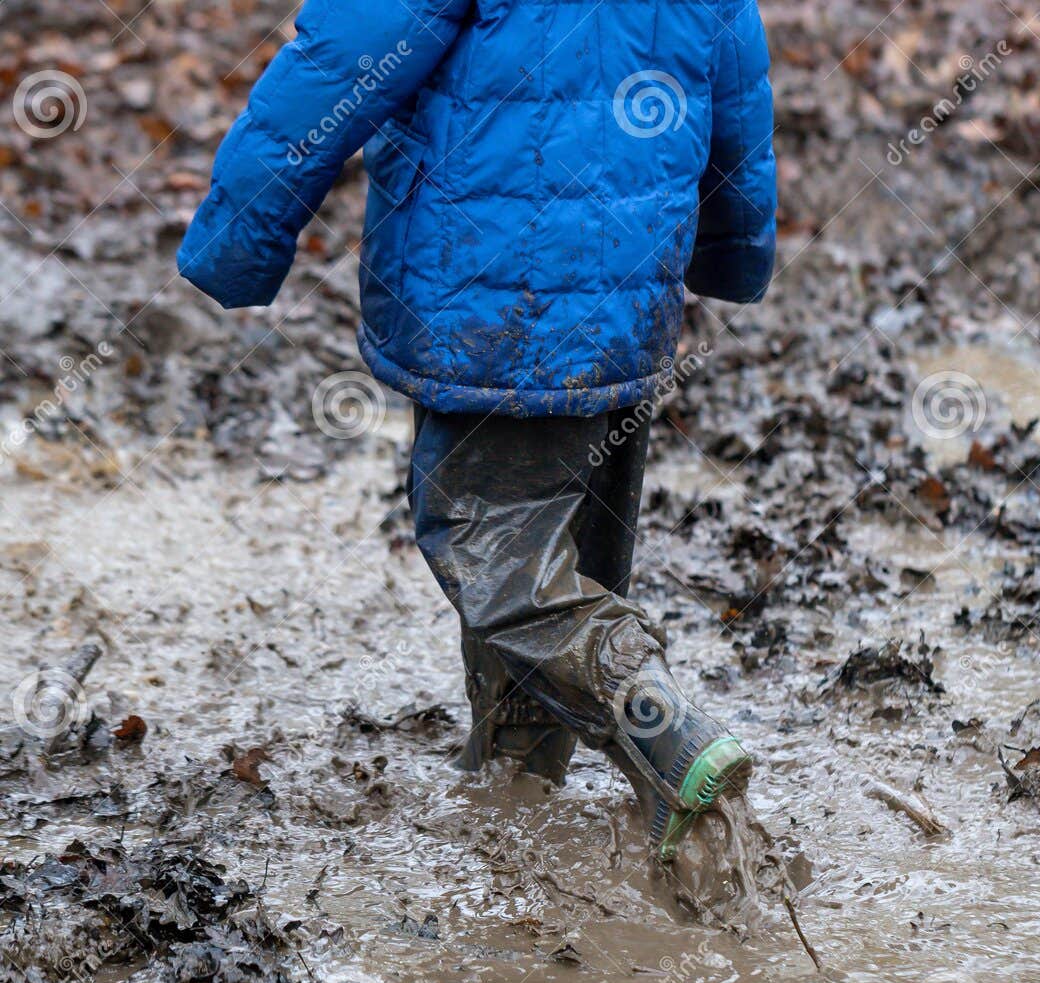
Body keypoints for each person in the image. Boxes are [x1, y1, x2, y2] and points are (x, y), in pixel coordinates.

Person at [175, 0, 777, 863]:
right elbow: (738, 108)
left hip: (488, 299)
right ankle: (519, 808)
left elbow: (335, 72)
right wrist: (732, 254)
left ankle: (660, 722)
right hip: (629, 305)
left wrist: (239, 237)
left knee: (498, 561)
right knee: (563, 569)